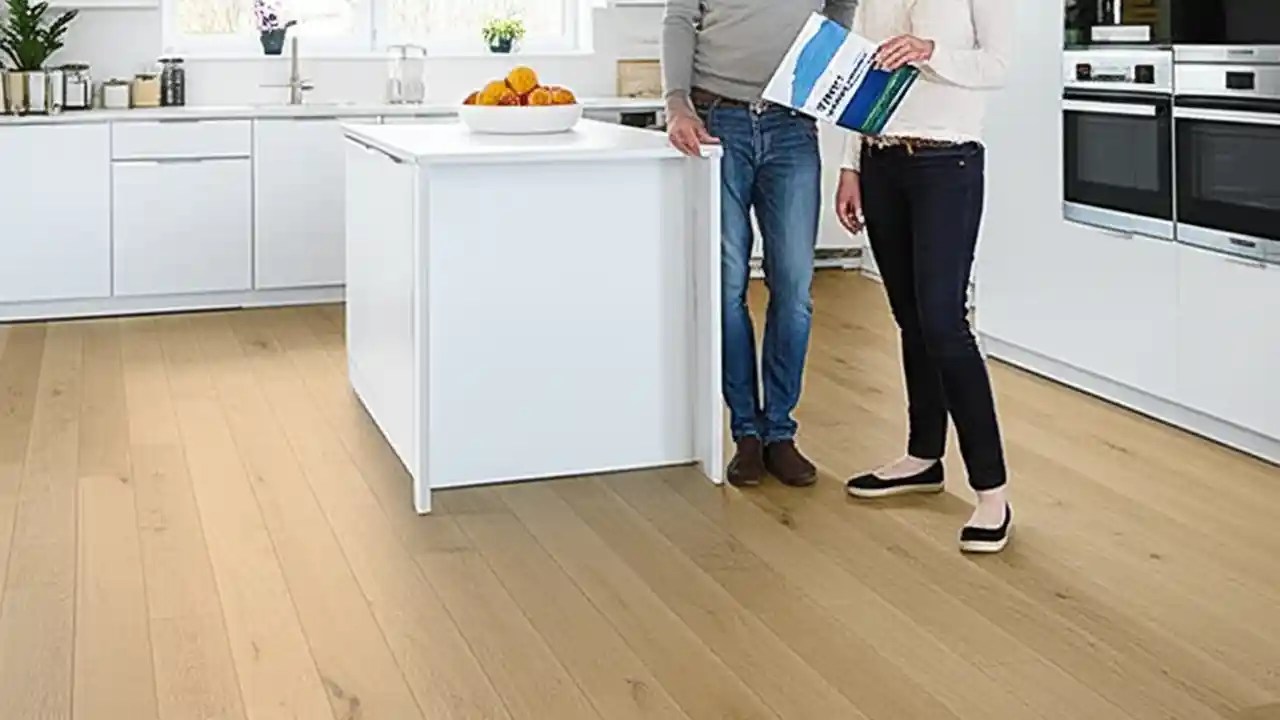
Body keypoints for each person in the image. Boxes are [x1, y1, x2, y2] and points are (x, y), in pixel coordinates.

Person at [834, 0, 1015, 552]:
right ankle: (922, 456)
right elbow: (861, 78)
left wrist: (932, 53)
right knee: (911, 318)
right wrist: (850, 165)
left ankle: (992, 492)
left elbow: (1000, 65)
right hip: (881, 160)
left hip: (948, 163)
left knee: (943, 322)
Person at [662, 0, 858, 488]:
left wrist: (819, 66)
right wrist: (675, 102)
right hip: (716, 119)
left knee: (794, 288)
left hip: (792, 123)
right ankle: (745, 431)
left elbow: (843, 3)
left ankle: (780, 432)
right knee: (728, 284)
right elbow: (679, 17)